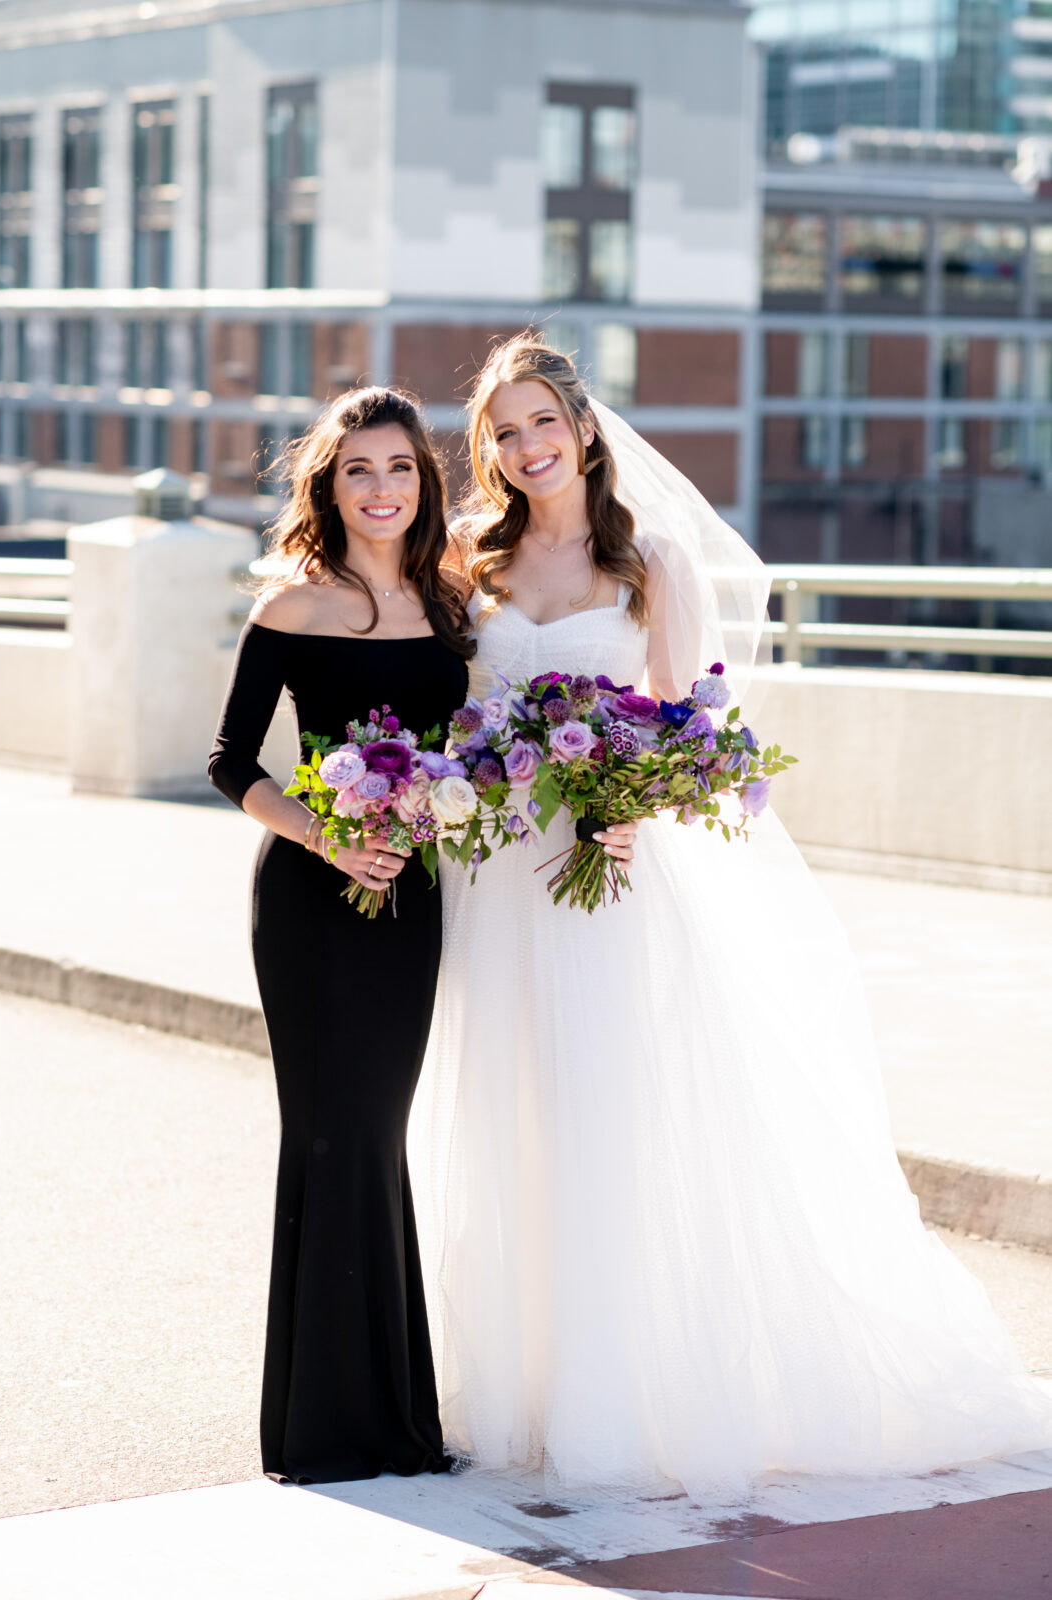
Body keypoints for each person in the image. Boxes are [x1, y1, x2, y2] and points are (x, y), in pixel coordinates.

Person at [409, 333, 1052, 1501]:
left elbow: (697, 733)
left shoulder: (650, 561)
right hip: (500, 880)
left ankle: (629, 1393)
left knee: (614, 1116)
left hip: (610, 879)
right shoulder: (468, 558)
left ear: (584, 426)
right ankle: (530, 1390)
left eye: (541, 421)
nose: (525, 446)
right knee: (520, 1114)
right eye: (502, 432)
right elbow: (455, 716)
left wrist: (626, 811)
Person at [209, 387, 471, 1484]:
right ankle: (323, 1430)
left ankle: (394, 1417)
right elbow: (231, 760)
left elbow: (476, 743)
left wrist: (434, 809)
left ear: (424, 480)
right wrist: (327, 838)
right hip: (314, 902)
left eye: (399, 469)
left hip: (410, 900)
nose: (380, 489)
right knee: (327, 1136)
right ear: (329, 482)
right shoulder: (294, 602)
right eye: (358, 470)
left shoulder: (453, 603)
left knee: (378, 1137)